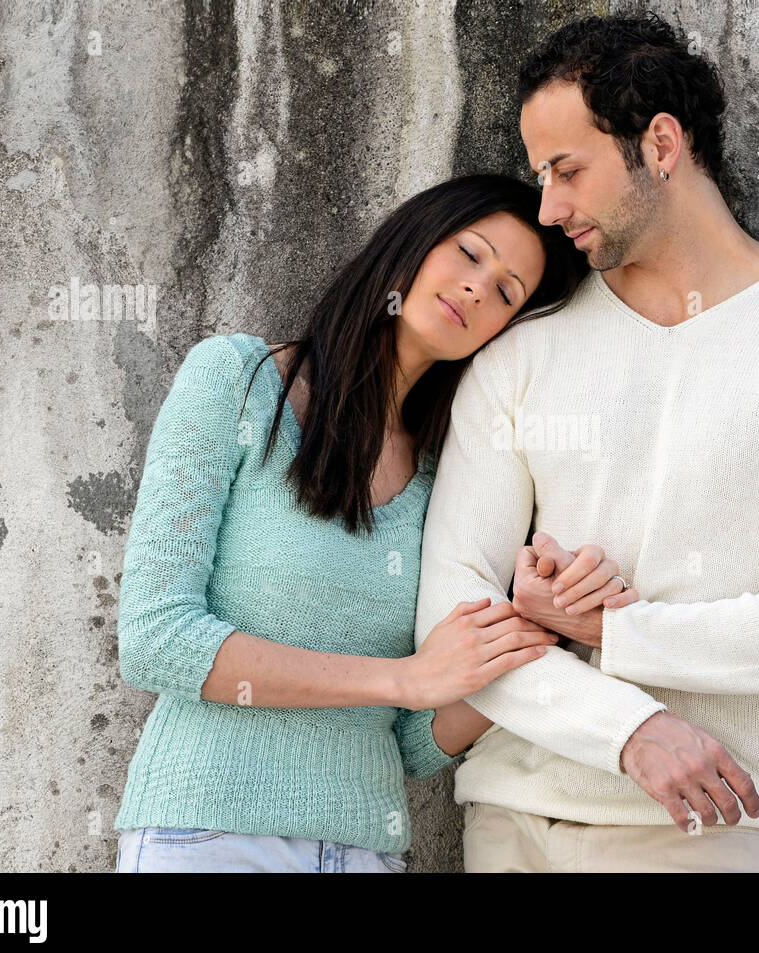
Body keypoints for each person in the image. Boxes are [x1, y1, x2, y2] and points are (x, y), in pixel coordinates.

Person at [413, 13, 759, 872]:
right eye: (540, 175)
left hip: (709, 830)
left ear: (660, 143)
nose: (548, 208)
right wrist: (629, 729)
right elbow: (451, 618)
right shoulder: (518, 354)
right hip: (510, 826)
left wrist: (623, 634)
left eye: (567, 169)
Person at [112, 173, 631, 872]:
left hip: (366, 852)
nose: (480, 288)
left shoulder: (441, 478)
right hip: (208, 835)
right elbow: (156, 638)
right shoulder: (237, 382)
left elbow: (416, 741)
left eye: (508, 292)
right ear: (411, 240)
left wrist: (541, 630)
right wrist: (402, 678)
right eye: (470, 254)